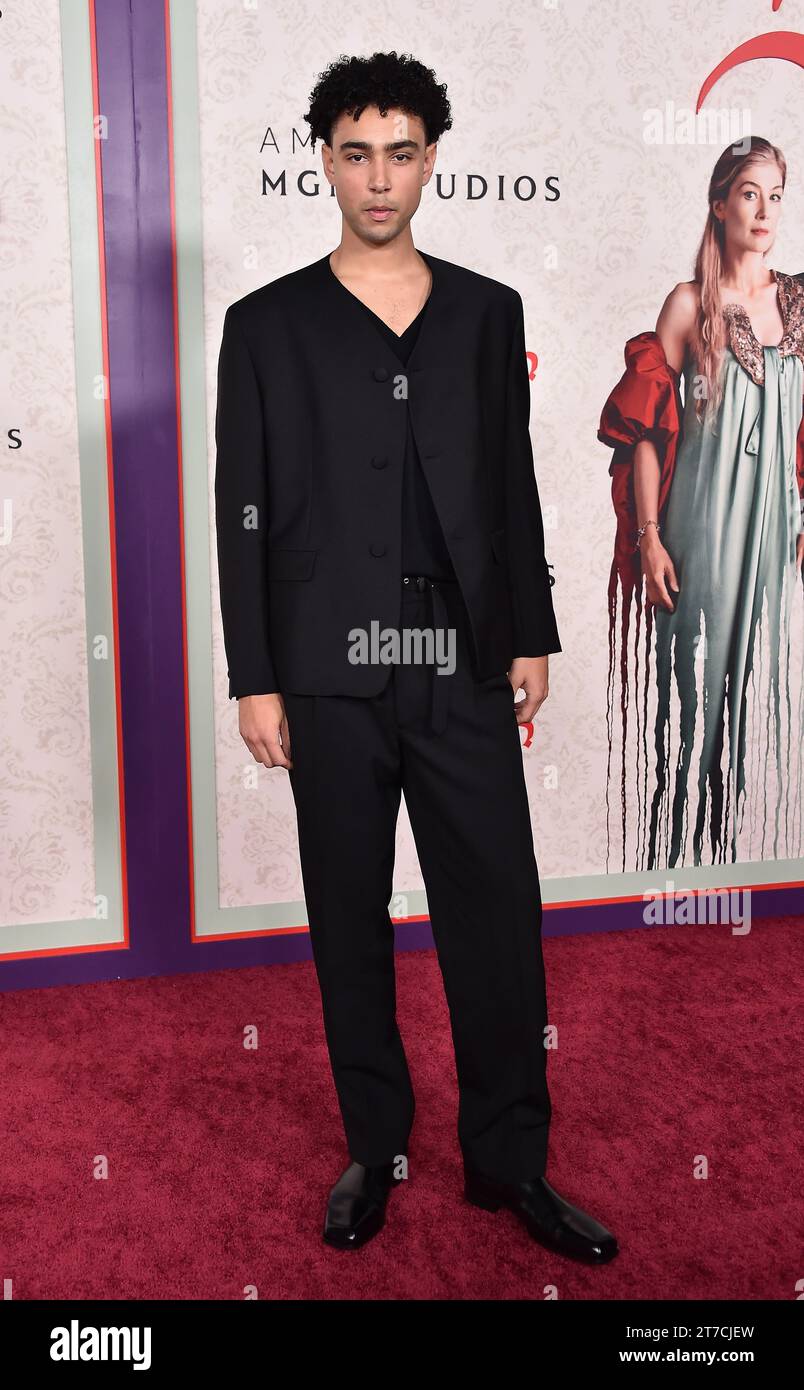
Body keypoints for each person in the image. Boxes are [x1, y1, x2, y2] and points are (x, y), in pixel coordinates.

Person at [215, 50, 617, 1264]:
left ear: (432, 158)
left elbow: (513, 481)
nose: (378, 176)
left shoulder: (489, 310)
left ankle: (512, 1166)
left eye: (401, 151)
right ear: (322, 161)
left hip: (460, 661)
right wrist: (255, 675)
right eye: (355, 151)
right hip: (324, 669)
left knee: (496, 910)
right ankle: (372, 1154)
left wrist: (533, 630)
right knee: (349, 913)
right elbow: (243, 504)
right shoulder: (266, 325)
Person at [598, 136, 804, 871]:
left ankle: (752, 861)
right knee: (693, 688)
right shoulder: (690, 303)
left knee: (766, 688)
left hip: (777, 530)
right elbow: (647, 429)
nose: (764, 210)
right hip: (699, 524)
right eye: (750, 193)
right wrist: (649, 537)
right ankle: (678, 856)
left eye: (776, 195)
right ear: (719, 203)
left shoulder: (802, 300)